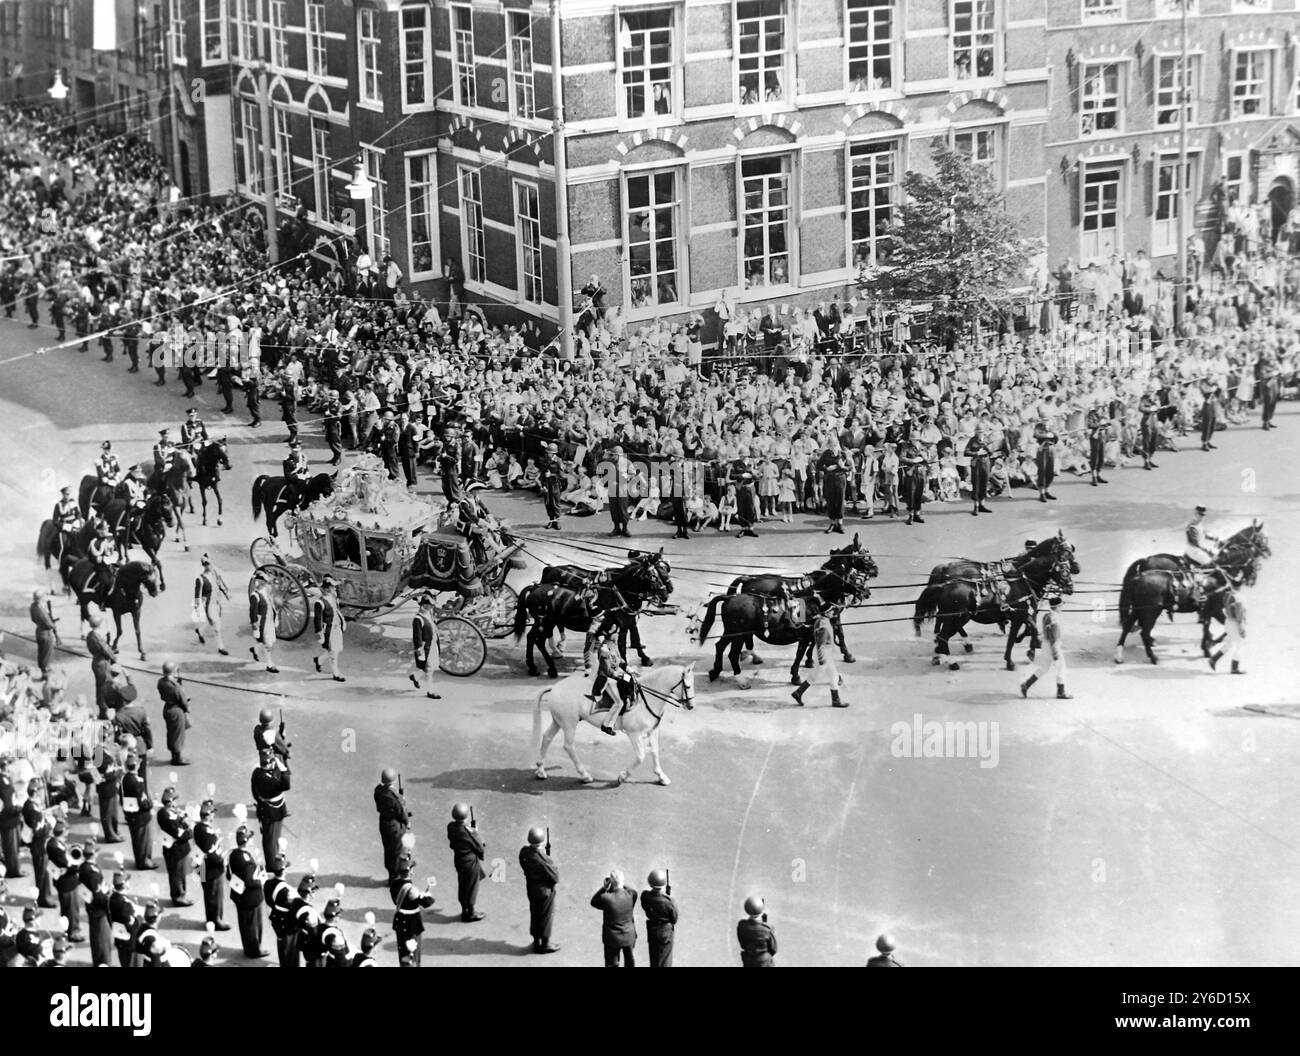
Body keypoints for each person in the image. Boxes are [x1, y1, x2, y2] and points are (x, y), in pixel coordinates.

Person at [226, 820, 268, 957]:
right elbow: (251, 882)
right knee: (253, 926)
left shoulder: (233, 854)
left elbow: (229, 874)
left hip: (239, 895)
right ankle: (255, 950)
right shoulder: (247, 860)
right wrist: (261, 880)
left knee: (244, 924)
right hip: (251, 898)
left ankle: (248, 948)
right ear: (247, 841)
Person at [390, 847, 436, 967]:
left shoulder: (394, 884)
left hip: (400, 920)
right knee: (414, 954)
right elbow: (427, 902)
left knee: (403, 952)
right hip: (412, 923)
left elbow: (399, 900)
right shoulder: (411, 889)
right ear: (409, 871)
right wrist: (427, 893)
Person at [1019, 593, 1070, 700]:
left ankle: (1026, 685)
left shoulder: (1047, 616)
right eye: (1061, 606)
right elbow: (1054, 637)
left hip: (1045, 644)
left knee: (1044, 668)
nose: (1062, 608)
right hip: (1052, 645)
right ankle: (1061, 692)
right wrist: (1055, 652)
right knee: (1061, 667)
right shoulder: (1054, 619)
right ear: (1057, 607)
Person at [792, 611, 847, 708]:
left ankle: (799, 692)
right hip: (824, 652)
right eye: (831, 611)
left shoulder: (821, 620)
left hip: (824, 652)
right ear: (826, 613)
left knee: (832, 675)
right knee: (818, 675)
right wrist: (822, 659)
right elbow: (820, 644)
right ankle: (835, 700)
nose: (833, 613)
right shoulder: (824, 625)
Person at [519, 826, 560, 953]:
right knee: (546, 917)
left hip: (532, 889)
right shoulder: (544, 860)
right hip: (544, 892)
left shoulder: (524, 852)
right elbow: (555, 877)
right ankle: (545, 944)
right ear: (541, 842)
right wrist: (549, 860)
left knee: (535, 915)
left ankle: (536, 942)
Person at [193, 799, 230, 931]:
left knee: (208, 893)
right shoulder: (209, 835)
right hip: (211, 870)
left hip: (201, 866)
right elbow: (213, 855)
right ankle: (215, 920)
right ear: (208, 815)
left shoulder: (198, 828)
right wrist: (223, 861)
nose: (214, 815)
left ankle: (212, 919)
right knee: (214, 895)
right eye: (212, 813)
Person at [251, 748, 291, 870]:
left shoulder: (257, 773)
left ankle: (275, 862)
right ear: (270, 763)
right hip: (273, 812)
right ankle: (274, 866)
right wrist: (283, 768)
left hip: (266, 808)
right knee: (271, 840)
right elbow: (286, 785)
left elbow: (254, 792)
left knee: (271, 838)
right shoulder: (267, 780)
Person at [590, 633, 636, 737]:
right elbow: (607, 669)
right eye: (616, 632)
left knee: (631, 681)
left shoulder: (614, 645)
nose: (618, 634)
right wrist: (619, 675)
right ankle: (607, 725)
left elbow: (619, 660)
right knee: (619, 702)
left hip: (616, 675)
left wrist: (628, 669)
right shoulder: (604, 649)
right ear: (610, 634)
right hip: (607, 678)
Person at [447, 802, 486, 922]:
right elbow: (480, 847)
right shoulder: (470, 832)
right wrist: (475, 832)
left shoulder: (451, 826)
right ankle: (471, 913)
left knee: (463, 885)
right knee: (472, 887)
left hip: (459, 860)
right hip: (470, 862)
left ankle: (464, 910)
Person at [590, 868, 638, 967]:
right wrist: (620, 883)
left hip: (612, 938)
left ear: (611, 883)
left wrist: (604, 887)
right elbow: (631, 890)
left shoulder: (606, 898)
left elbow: (594, 901)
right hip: (629, 936)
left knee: (611, 964)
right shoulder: (631, 894)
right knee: (630, 962)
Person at [156, 785, 194, 907]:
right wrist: (190, 830)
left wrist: (181, 817)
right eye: (174, 801)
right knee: (176, 874)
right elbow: (179, 833)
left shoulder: (167, 812)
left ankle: (181, 894)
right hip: (175, 850)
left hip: (178, 850)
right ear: (169, 802)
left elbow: (177, 822)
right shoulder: (166, 816)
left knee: (180, 873)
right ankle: (178, 897)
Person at [120, 752, 154, 870]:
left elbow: (122, 798)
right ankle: (144, 862)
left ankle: (141, 860)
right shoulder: (137, 782)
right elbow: (143, 802)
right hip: (140, 816)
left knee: (137, 840)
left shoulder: (124, 779)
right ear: (137, 766)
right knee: (143, 841)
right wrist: (151, 803)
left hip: (131, 815)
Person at [374, 768, 410, 882]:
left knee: (388, 849)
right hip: (395, 825)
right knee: (396, 850)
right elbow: (401, 812)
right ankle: (395, 876)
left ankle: (391, 872)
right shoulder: (395, 797)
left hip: (384, 822)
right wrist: (407, 822)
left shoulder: (378, 790)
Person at [192, 553, 230, 654]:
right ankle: (220, 647)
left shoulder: (214, 574)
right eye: (206, 564)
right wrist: (197, 607)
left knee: (213, 621)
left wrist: (226, 594)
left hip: (217, 601)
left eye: (209, 564)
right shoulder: (200, 579)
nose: (209, 566)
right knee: (217, 624)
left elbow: (220, 585)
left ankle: (200, 631)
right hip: (208, 604)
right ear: (203, 566)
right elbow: (197, 595)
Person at [312, 575, 347, 682]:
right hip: (329, 630)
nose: (334, 588)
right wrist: (320, 635)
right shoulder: (320, 603)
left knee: (335, 649)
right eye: (332, 587)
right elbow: (317, 620)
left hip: (337, 628)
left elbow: (337, 610)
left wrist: (342, 622)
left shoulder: (333, 596)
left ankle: (318, 660)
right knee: (333, 653)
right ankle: (336, 673)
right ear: (327, 588)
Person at [408, 592, 442, 700]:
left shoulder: (428, 613)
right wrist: (419, 650)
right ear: (424, 605)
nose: (432, 607)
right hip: (425, 648)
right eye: (430, 605)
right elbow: (417, 637)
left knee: (431, 666)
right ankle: (430, 690)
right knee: (429, 669)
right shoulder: (418, 619)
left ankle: (416, 676)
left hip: (433, 645)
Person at [640, 869, 677, 967]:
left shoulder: (645, 896)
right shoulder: (669, 902)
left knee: (654, 958)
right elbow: (674, 919)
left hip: (652, 929)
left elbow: (647, 910)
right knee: (665, 960)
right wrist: (668, 896)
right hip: (665, 932)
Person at [157, 661, 190, 765]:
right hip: (176, 710)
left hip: (168, 707)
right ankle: (178, 758)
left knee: (171, 733)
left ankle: (174, 755)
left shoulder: (161, 682)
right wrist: (187, 707)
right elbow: (183, 700)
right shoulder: (175, 687)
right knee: (178, 734)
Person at [248, 568, 280, 673]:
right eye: (263, 582)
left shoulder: (266, 591)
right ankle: (269, 664)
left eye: (265, 582)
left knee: (267, 641)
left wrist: (275, 617)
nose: (265, 583)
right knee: (268, 644)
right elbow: (253, 614)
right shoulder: (255, 596)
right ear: (258, 581)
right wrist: (255, 628)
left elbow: (271, 604)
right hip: (263, 622)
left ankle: (255, 650)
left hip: (269, 619)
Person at [1209, 590, 1246, 675]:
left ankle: (1214, 659)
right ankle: (1234, 668)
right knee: (1239, 645)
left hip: (1228, 621)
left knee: (1230, 643)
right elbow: (1239, 615)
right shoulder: (1239, 598)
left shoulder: (1228, 594)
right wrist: (1241, 629)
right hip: (1234, 623)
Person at [737, 894, 777, 967]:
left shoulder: (742, 925)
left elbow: (742, 944)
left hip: (748, 961)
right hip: (763, 962)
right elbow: (773, 949)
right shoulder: (767, 929)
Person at [964, 424, 994, 515]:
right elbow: (966, 452)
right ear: (975, 431)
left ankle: (982, 505)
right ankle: (976, 506)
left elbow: (992, 452)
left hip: (986, 462)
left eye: (982, 431)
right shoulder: (972, 440)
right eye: (979, 431)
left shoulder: (987, 439)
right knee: (976, 483)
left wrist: (987, 447)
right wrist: (977, 453)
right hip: (976, 462)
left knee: (984, 483)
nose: (981, 433)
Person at [30, 589, 59, 676]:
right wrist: (54, 625)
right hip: (45, 633)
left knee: (42, 652)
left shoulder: (33, 606)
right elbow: (48, 623)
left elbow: (33, 619)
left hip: (39, 631)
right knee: (46, 653)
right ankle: (45, 672)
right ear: (41, 598)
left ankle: (43, 669)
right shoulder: (40, 610)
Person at [1034, 419, 1059, 502]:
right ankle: (1042, 493)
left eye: (1047, 419)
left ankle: (1047, 490)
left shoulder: (1051, 427)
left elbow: (1056, 437)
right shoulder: (1038, 426)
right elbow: (1037, 435)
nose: (1046, 421)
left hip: (1051, 449)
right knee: (1042, 471)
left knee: (1050, 472)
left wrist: (1052, 432)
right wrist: (1048, 434)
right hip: (1042, 450)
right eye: (1044, 419)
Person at [52, 485, 83, 554]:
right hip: (65, 527)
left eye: (69, 494)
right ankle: (62, 560)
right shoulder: (58, 505)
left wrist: (77, 520)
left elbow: (78, 513)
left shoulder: (73, 502)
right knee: (64, 547)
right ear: (63, 494)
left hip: (75, 525)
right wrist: (64, 526)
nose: (67, 496)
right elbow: (55, 521)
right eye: (66, 494)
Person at [1085, 403, 1110, 486]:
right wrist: (1099, 424)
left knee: (1101, 457)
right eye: (1098, 406)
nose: (1099, 407)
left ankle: (1098, 474)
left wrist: (1106, 424)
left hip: (1102, 436)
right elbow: (1090, 424)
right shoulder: (1091, 414)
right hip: (1094, 436)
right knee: (1094, 457)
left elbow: (1107, 421)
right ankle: (1094, 477)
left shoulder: (1103, 413)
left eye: (1101, 406)